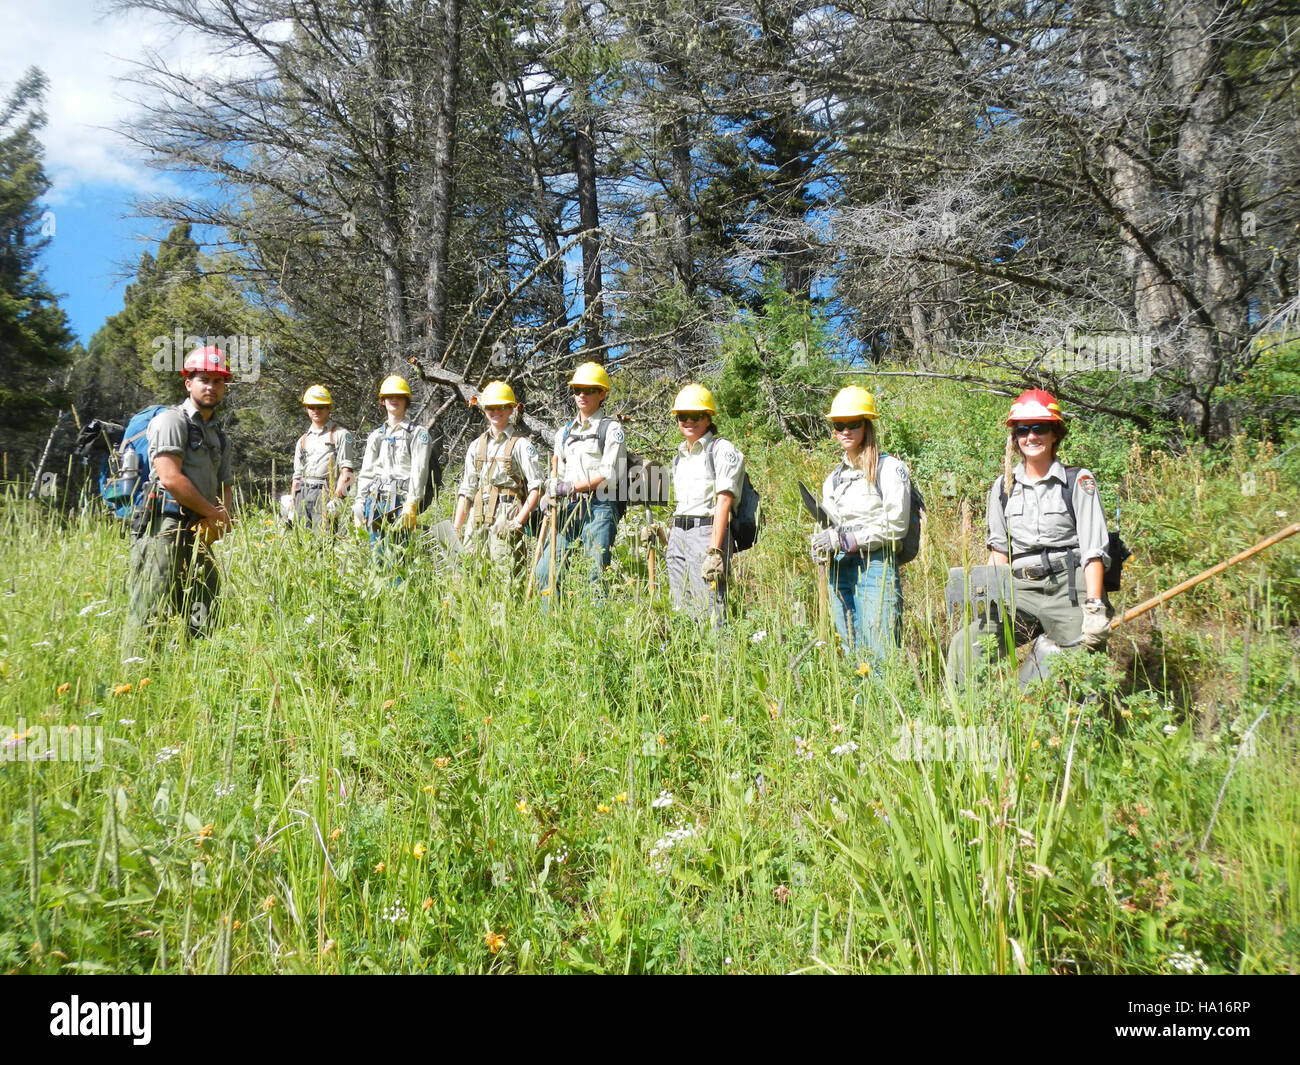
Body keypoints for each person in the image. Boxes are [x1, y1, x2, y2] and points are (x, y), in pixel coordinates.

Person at [946, 388, 1112, 683]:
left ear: (1055, 434)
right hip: (1018, 590)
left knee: (1086, 666)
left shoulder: (1077, 481)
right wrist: (991, 595)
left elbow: (1093, 551)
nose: (1031, 437)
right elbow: (998, 550)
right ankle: (966, 720)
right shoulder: (1003, 487)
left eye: (1040, 428)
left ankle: (1085, 725)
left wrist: (1095, 607)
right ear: (1015, 437)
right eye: (1023, 430)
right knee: (965, 646)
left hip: (1067, 588)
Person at [123, 346, 234, 645]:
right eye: (204, 379)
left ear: (224, 387)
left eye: (218, 381)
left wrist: (224, 519)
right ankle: (138, 677)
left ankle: (198, 664)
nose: (211, 386)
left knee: (204, 603)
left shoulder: (218, 436)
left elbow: (226, 484)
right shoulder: (172, 421)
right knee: (150, 605)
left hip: (201, 530)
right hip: (165, 526)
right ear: (189, 383)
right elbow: (170, 477)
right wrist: (214, 513)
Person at [810, 385, 910, 664]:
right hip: (840, 566)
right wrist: (822, 542)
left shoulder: (889, 469)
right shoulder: (833, 479)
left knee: (881, 651)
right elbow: (830, 523)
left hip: (876, 565)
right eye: (838, 425)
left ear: (866, 425)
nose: (845, 431)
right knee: (852, 650)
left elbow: (896, 525)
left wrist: (848, 540)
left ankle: (887, 707)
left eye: (852, 424)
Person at [642, 384, 744, 626]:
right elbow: (685, 506)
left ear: (708, 418)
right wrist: (664, 533)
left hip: (706, 533)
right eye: (682, 416)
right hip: (679, 533)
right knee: (681, 604)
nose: (689, 421)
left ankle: (720, 660)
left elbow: (725, 500)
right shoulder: (679, 458)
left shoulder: (721, 450)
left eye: (696, 416)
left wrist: (715, 550)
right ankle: (693, 658)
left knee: (710, 605)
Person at [533, 361, 626, 600]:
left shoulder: (611, 429)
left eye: (589, 390)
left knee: (596, 574)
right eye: (577, 390)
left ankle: (598, 633)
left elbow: (608, 473)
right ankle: (551, 627)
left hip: (600, 507)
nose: (582, 395)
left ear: (602, 393)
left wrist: (572, 486)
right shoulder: (564, 432)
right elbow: (559, 472)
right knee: (546, 570)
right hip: (567, 507)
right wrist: (548, 494)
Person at [452, 381, 543, 579]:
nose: (496, 411)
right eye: (491, 407)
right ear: (484, 410)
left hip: (507, 512)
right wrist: (457, 528)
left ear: (511, 409)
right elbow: (466, 490)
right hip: (477, 514)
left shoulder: (521, 445)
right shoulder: (475, 446)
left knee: (507, 574)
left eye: (502, 407)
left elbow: (537, 486)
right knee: (470, 571)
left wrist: (519, 520)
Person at [353, 375, 434, 541]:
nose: (394, 400)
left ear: (406, 401)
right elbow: (366, 473)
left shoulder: (418, 434)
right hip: (375, 499)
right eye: (390, 396)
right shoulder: (376, 436)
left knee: (398, 557)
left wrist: (411, 504)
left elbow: (419, 472)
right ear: (383, 401)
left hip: (402, 500)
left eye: (399, 397)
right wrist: (359, 503)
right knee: (376, 556)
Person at [291, 385, 355, 527]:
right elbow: (297, 477)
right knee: (302, 541)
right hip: (303, 493)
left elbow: (348, 475)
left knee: (324, 542)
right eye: (311, 406)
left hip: (326, 493)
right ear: (306, 408)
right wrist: (292, 503)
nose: (316, 410)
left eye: (320, 406)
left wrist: (337, 500)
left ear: (329, 408)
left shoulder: (341, 434)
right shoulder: (302, 440)